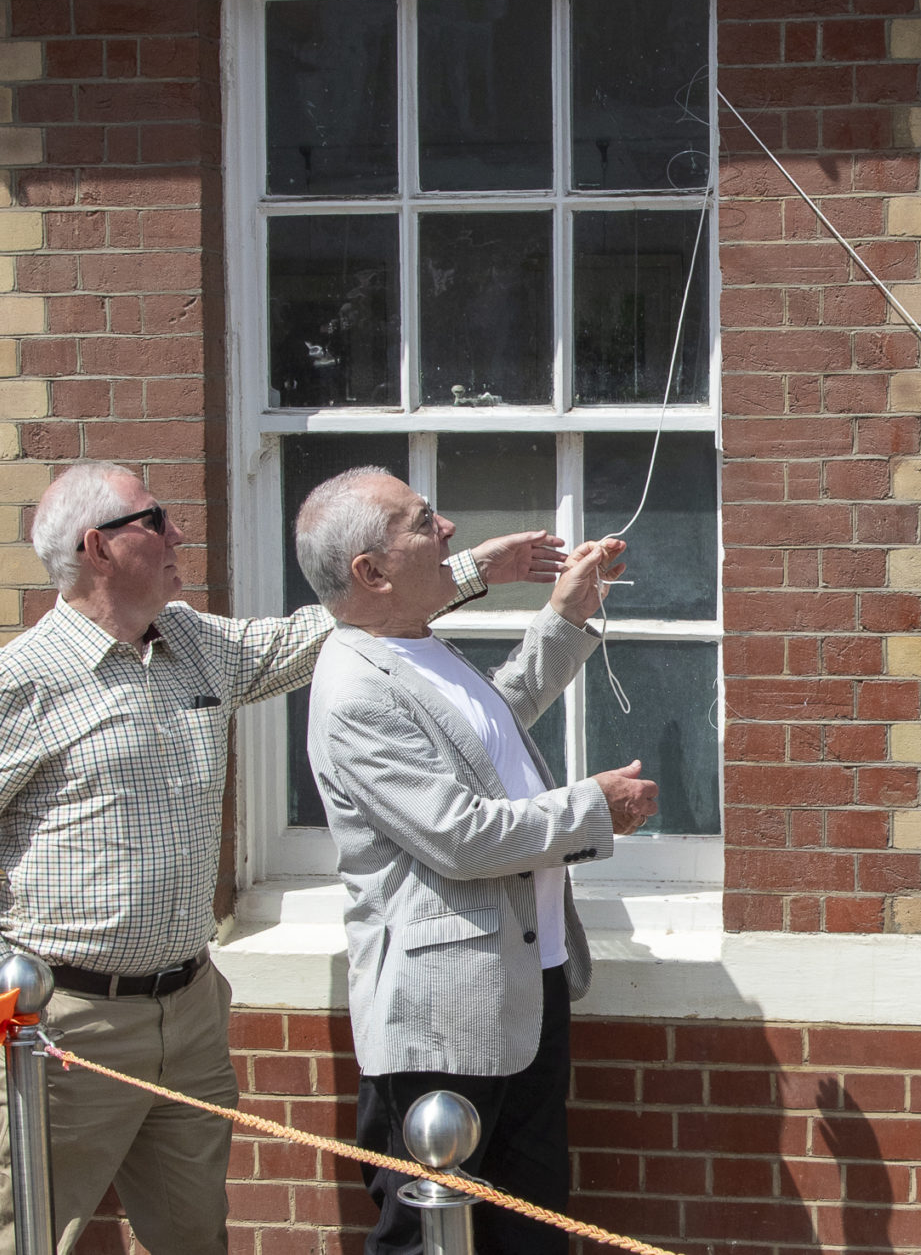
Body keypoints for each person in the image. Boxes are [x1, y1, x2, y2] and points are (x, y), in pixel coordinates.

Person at [0, 460, 569, 1255]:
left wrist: (477, 568)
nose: (179, 533)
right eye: (155, 519)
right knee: (26, 1238)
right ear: (97, 548)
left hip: (193, 1006)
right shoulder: (23, 679)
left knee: (193, 1237)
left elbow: (337, 618)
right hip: (71, 1020)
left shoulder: (194, 643)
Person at [296, 467, 659, 1255]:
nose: (449, 529)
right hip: (443, 1022)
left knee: (528, 1234)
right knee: (428, 1241)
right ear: (371, 571)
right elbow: (461, 834)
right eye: (423, 521)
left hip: (525, 991)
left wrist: (563, 619)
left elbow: (489, 731)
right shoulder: (355, 684)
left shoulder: (417, 649)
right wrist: (593, 808)